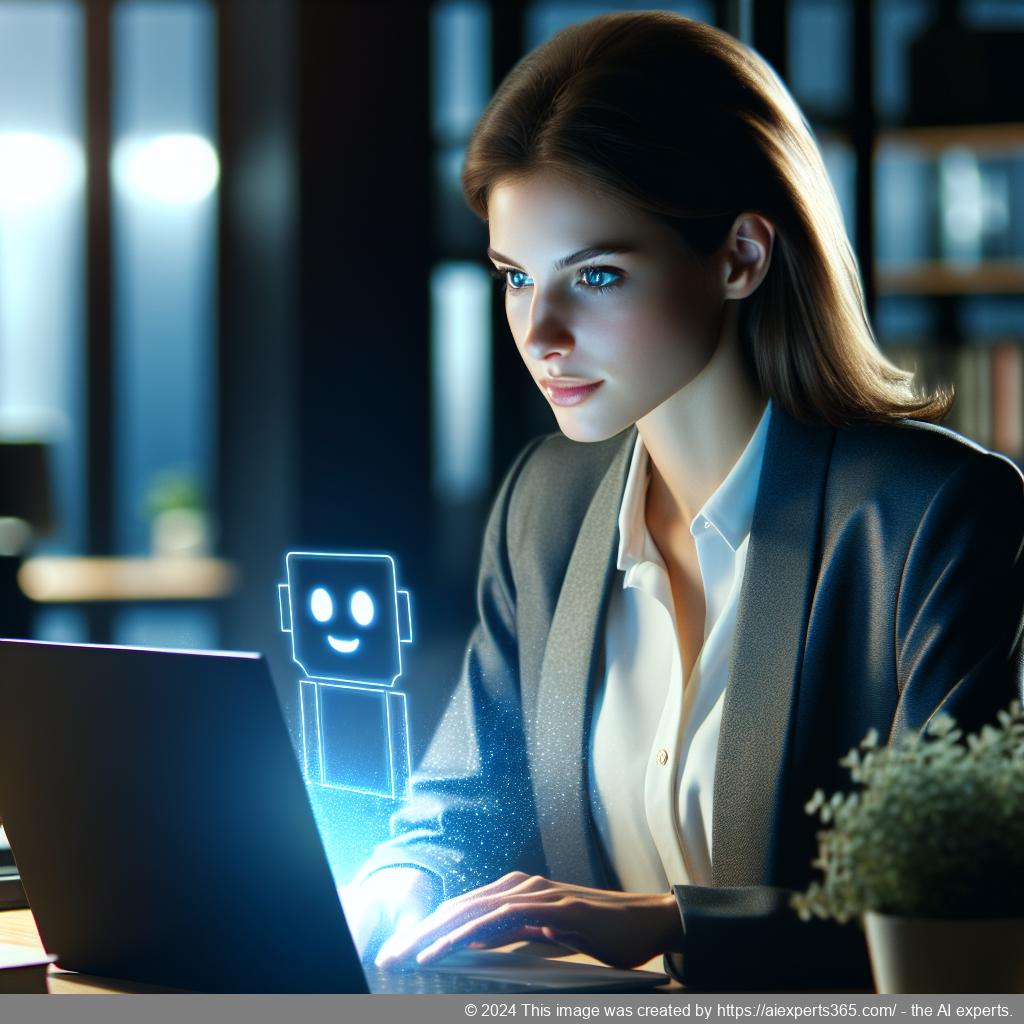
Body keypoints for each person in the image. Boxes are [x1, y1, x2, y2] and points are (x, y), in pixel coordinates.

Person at [342, 11, 1024, 989]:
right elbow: (462, 813)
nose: (540, 330)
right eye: (515, 276)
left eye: (598, 275)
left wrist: (671, 922)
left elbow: (964, 919)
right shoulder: (545, 504)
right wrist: (391, 884)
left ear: (741, 256)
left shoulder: (935, 518)